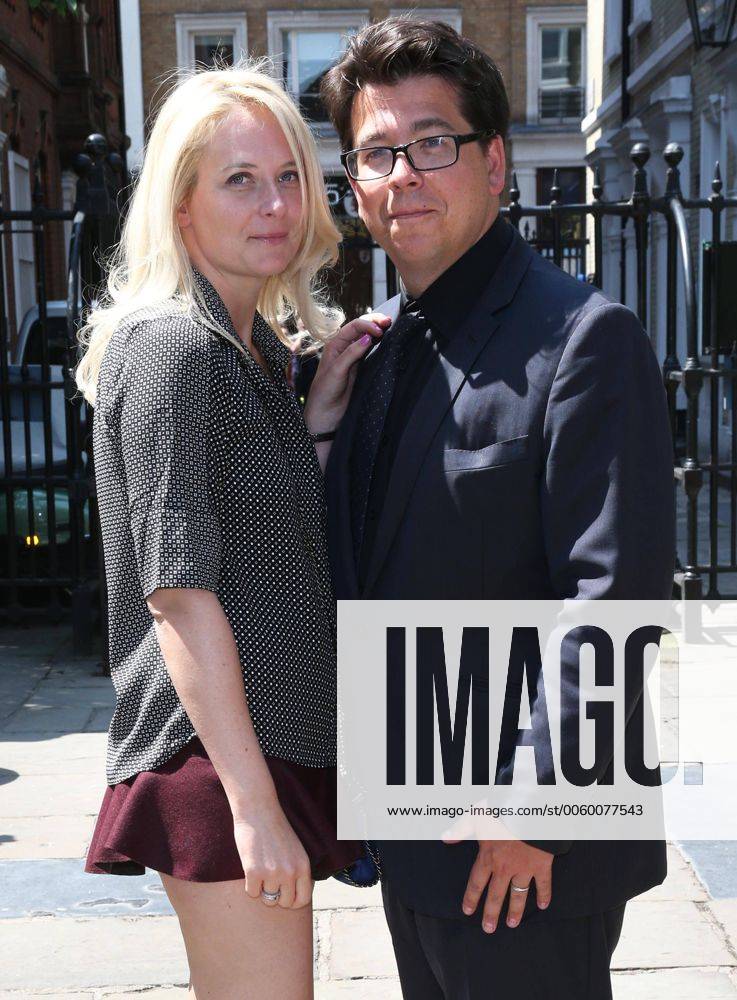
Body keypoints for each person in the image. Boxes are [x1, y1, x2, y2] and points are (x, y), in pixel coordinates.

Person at [320, 18, 675, 1000]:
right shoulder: (379, 352)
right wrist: (321, 436)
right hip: (411, 823)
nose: (404, 174)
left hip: (519, 850)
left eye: (432, 142)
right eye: (377, 152)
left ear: (493, 163)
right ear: (355, 183)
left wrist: (530, 805)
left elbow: (615, 597)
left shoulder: (583, 337)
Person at [77, 62, 387, 1000]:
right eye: (240, 180)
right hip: (216, 761)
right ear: (181, 207)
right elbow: (177, 595)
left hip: (261, 742)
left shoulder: (250, 351)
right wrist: (252, 809)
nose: (275, 204)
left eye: (288, 175)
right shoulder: (171, 347)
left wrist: (316, 419)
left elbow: (274, 544)